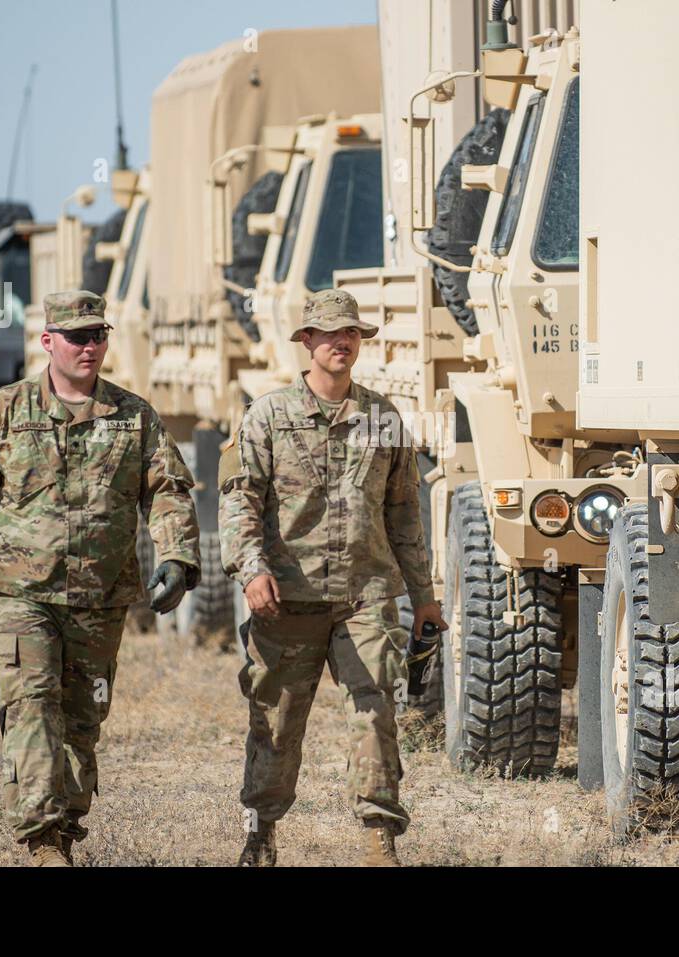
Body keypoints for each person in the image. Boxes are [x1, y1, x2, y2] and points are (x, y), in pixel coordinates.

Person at [0, 290, 201, 866]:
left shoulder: (135, 416)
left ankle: (66, 834)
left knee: (81, 723)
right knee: (30, 705)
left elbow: (169, 492)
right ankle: (41, 840)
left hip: (98, 599)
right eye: (77, 337)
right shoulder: (2, 412)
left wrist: (176, 558)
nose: (89, 346)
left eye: (98, 335)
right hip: (17, 594)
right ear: (47, 341)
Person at [219, 288, 446, 867]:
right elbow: (239, 502)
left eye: (352, 334)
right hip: (285, 602)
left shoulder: (384, 418)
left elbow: (404, 512)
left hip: (364, 597)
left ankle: (378, 834)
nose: (343, 343)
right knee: (276, 718)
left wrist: (423, 598)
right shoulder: (267, 417)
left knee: (375, 708)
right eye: (330, 334)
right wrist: (251, 570)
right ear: (307, 342)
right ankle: (260, 829)